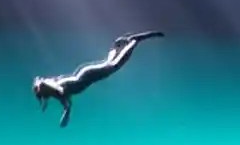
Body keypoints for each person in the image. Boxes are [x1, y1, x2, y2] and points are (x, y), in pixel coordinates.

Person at [33, 31, 164, 127]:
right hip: (86, 74)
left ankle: (134, 41)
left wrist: (65, 115)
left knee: (114, 65)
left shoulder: (58, 92)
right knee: (109, 63)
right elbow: (48, 90)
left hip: (88, 76)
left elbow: (65, 103)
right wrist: (46, 102)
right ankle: (116, 46)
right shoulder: (55, 90)